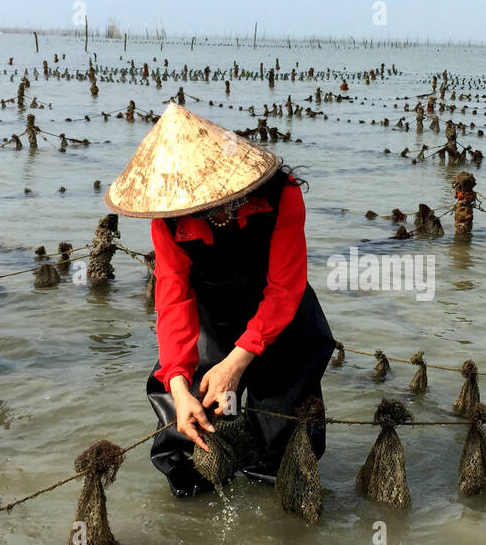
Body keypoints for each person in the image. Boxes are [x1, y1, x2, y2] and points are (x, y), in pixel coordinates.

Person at [104, 104, 335, 498]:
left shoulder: (282, 194)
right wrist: (177, 381)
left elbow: (285, 286)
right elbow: (174, 296)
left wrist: (238, 361)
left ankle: (273, 500)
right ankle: (193, 501)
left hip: (283, 313)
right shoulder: (169, 219)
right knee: (191, 417)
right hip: (212, 315)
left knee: (280, 427)